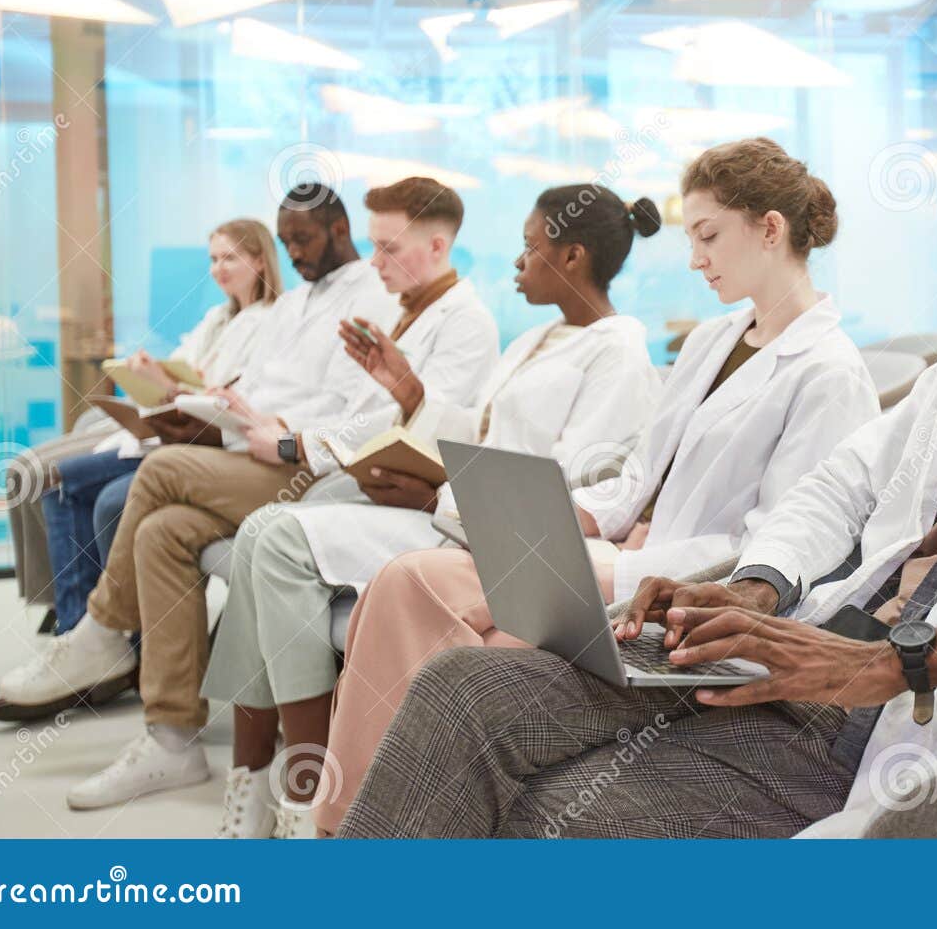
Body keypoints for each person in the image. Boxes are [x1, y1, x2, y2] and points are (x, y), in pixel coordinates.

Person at [338, 54, 937, 840]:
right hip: (802, 662)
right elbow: (847, 483)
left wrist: (903, 663)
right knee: (464, 689)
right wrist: (758, 584)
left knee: (555, 814)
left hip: (908, 719)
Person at [321, 138, 882, 835]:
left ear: (771, 229)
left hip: (683, 591)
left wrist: (622, 563)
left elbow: (775, 551)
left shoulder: (828, 372)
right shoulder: (715, 338)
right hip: (625, 554)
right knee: (403, 579)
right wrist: (570, 515)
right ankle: (349, 819)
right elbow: (641, 476)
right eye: (691, 237)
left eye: (708, 235)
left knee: (465, 643)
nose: (695, 257)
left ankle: (404, 827)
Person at [0, 177, 498, 810]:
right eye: (374, 246)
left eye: (387, 246)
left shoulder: (457, 321)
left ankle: (100, 633)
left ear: (436, 243)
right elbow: (354, 408)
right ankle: (171, 738)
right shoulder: (394, 306)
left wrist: (291, 442)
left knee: (159, 474)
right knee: (161, 529)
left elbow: (406, 426)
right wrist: (243, 417)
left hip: (335, 476)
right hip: (296, 449)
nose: (376, 261)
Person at [204, 184, 663, 838]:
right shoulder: (540, 338)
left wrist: (437, 490)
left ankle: (307, 794)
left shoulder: (618, 355)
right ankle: (264, 782)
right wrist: (408, 390)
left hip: (485, 538)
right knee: (263, 534)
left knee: (273, 536)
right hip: (455, 510)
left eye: (532, 248)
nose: (517, 262)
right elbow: (482, 431)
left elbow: (565, 491)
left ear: (574, 256)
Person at [1, 220, 279, 645]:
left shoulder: (271, 322)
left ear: (260, 258)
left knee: (65, 485)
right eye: (214, 259)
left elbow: (227, 395)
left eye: (231, 258)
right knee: (46, 479)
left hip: (199, 438)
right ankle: (76, 626)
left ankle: (91, 633)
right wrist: (153, 375)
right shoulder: (217, 318)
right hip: (164, 423)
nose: (219, 268)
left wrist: (170, 385)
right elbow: (185, 366)